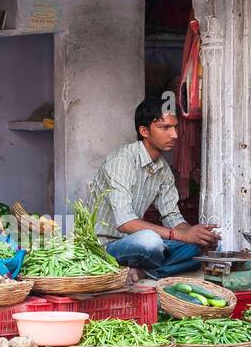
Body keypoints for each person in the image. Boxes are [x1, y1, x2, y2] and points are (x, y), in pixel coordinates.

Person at [89, 95, 220, 279]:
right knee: (150, 241)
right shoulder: (122, 161)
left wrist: (195, 234)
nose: (174, 135)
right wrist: (181, 235)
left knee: (206, 246)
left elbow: (172, 217)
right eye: (165, 128)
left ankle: (144, 272)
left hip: (135, 244)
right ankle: (156, 270)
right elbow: (125, 223)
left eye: (175, 127)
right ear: (144, 131)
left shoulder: (162, 168)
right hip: (105, 246)